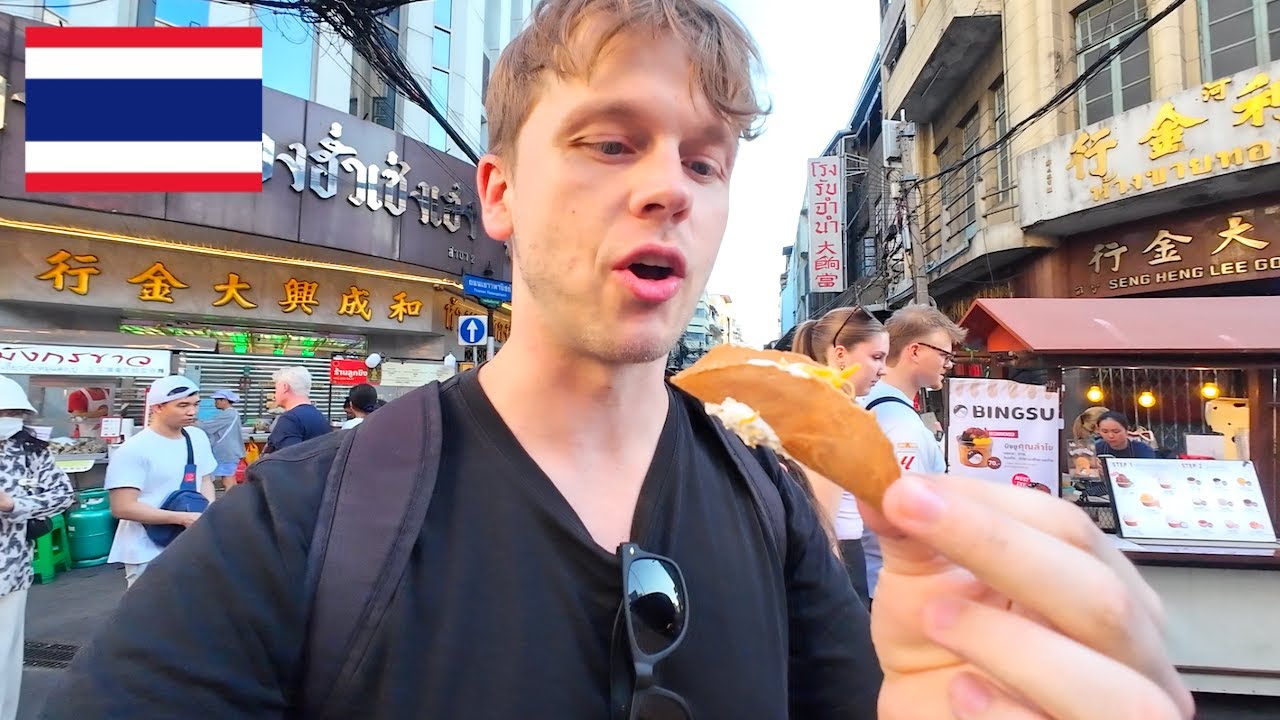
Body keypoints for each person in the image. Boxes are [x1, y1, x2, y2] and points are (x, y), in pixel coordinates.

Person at [44, 2, 1192, 718]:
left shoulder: (770, 512)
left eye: (706, 161)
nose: (667, 188)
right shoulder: (304, 523)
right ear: (497, 191)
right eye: (609, 142)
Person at [859, 303, 966, 607]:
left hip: (880, 579)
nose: (948, 364)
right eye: (944, 355)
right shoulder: (898, 421)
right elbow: (904, 516)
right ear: (915, 351)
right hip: (896, 585)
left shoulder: (871, 401)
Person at [791, 305, 889, 608]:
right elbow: (822, 517)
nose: (883, 369)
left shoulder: (826, 405)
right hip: (836, 557)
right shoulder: (829, 413)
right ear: (840, 354)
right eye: (876, 358)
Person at [0, 375, 74, 720]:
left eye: (15, 413)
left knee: (5, 656)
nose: (9, 419)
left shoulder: (32, 452)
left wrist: (13, 505)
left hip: (11, 569)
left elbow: (62, 495)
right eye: (3, 412)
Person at [103, 375, 217, 588]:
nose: (192, 411)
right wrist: (182, 518)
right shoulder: (134, 449)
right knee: (151, 615)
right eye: (182, 405)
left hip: (191, 544)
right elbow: (122, 507)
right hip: (146, 549)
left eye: (195, 404)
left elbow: (204, 479)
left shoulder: (197, 437)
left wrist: (206, 513)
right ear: (157, 407)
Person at [263, 366, 330, 453]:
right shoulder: (319, 416)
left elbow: (287, 458)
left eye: (276, 389)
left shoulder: (290, 419)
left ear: (285, 387)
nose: (274, 395)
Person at [199, 389, 246, 490]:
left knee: (227, 480)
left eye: (217, 400)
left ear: (224, 400)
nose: (215, 403)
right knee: (231, 479)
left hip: (227, 452)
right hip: (230, 452)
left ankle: (230, 503)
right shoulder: (231, 413)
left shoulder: (229, 414)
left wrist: (193, 423)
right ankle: (235, 502)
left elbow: (208, 426)